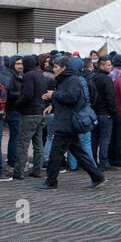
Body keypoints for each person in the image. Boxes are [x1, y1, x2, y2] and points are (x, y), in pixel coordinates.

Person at [38, 55, 105, 190]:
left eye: (56, 67)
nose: (54, 69)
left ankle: (51, 181)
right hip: (66, 121)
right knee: (77, 151)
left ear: (64, 68)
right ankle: (97, 176)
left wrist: (53, 95)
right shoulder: (65, 79)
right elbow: (65, 97)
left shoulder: (72, 80)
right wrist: (53, 103)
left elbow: (71, 97)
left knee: (56, 153)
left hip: (67, 123)